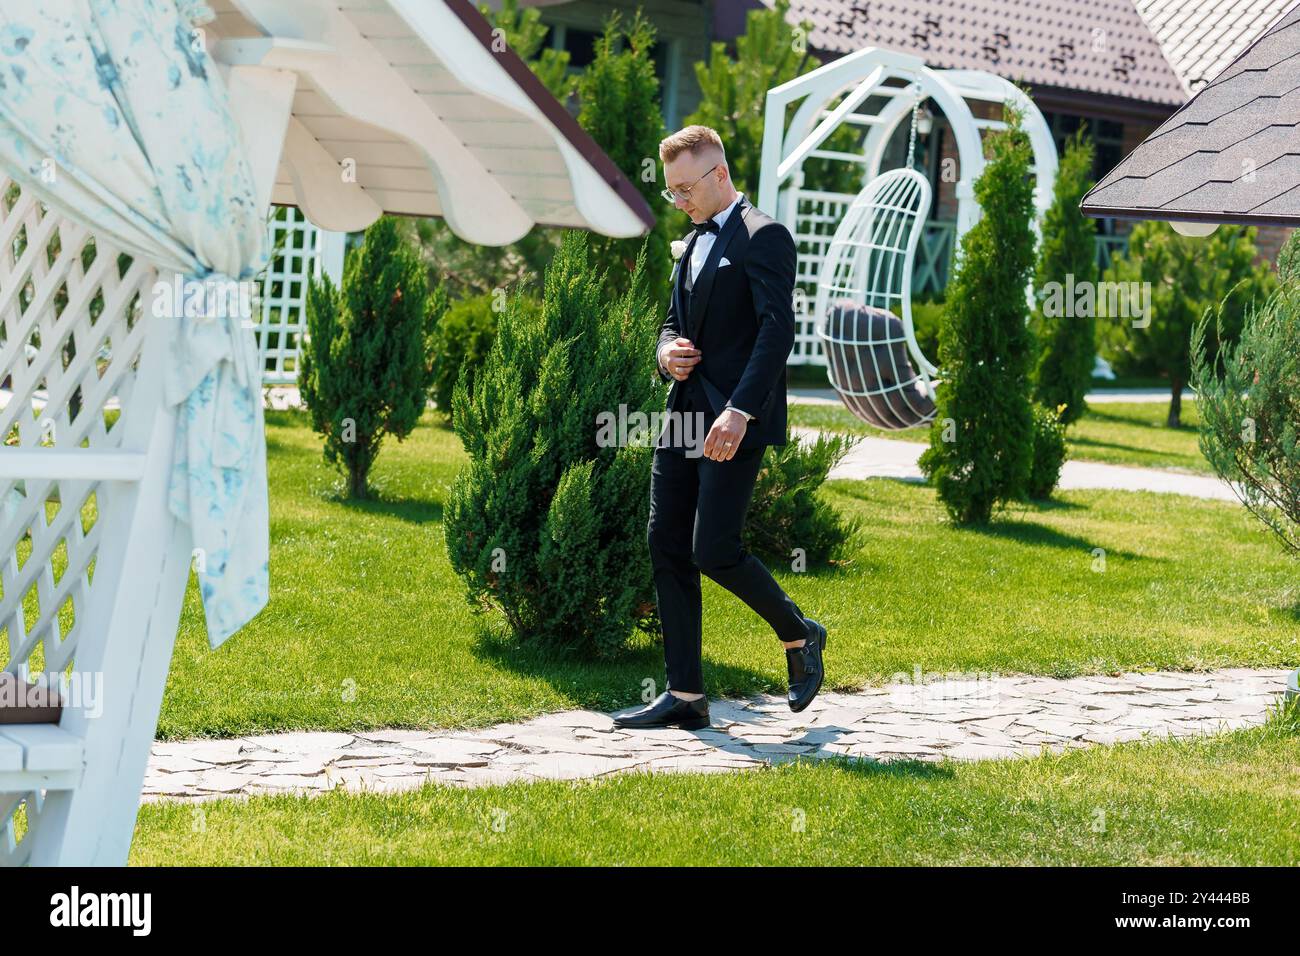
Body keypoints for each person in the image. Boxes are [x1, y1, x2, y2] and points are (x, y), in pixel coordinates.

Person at [613, 125, 827, 732]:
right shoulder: (690, 243)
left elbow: (775, 332)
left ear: (719, 175)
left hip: (733, 420)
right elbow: (670, 322)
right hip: (683, 414)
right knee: (666, 544)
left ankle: (798, 632)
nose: (678, 200)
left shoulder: (766, 237)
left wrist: (740, 410)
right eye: (670, 191)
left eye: (685, 188)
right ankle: (685, 696)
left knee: (714, 550)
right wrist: (665, 354)